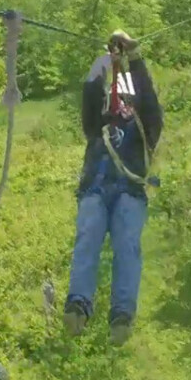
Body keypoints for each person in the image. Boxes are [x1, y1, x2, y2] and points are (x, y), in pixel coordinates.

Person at [63, 30, 163, 345]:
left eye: (127, 103)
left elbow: (150, 104)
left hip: (130, 190)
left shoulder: (146, 127)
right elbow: (90, 96)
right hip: (95, 185)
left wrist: (134, 56)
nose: (121, 108)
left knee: (127, 245)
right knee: (87, 238)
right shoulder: (98, 126)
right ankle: (78, 304)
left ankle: (122, 314)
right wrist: (105, 61)